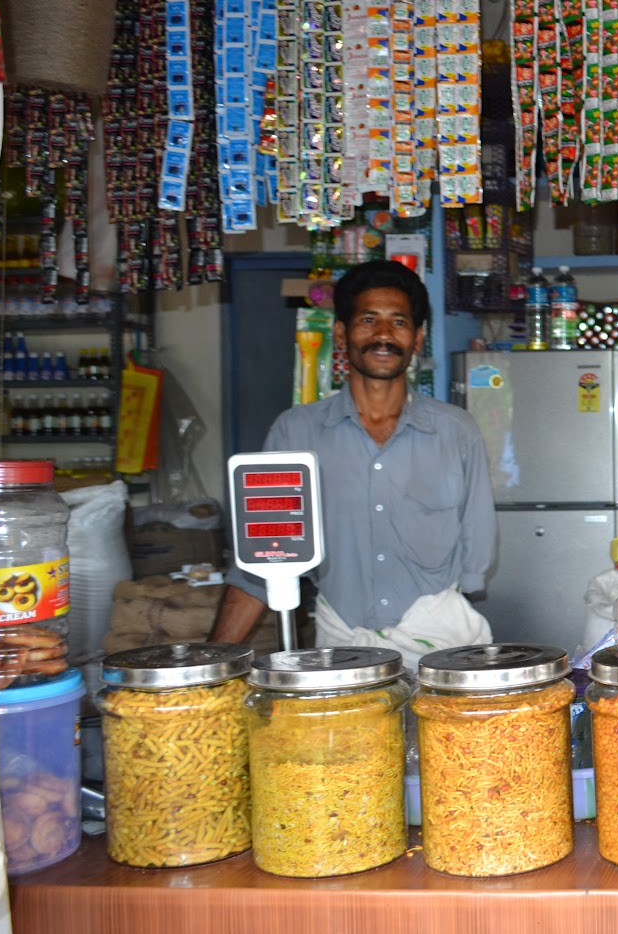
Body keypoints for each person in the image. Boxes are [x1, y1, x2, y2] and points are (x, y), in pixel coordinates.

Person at [212, 260, 496, 669]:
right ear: (342, 333)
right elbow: (261, 564)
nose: (383, 334)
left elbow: (476, 554)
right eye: (368, 319)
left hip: (441, 647)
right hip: (340, 649)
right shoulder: (294, 434)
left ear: (418, 339)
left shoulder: (456, 432)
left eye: (399, 322)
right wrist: (210, 670)